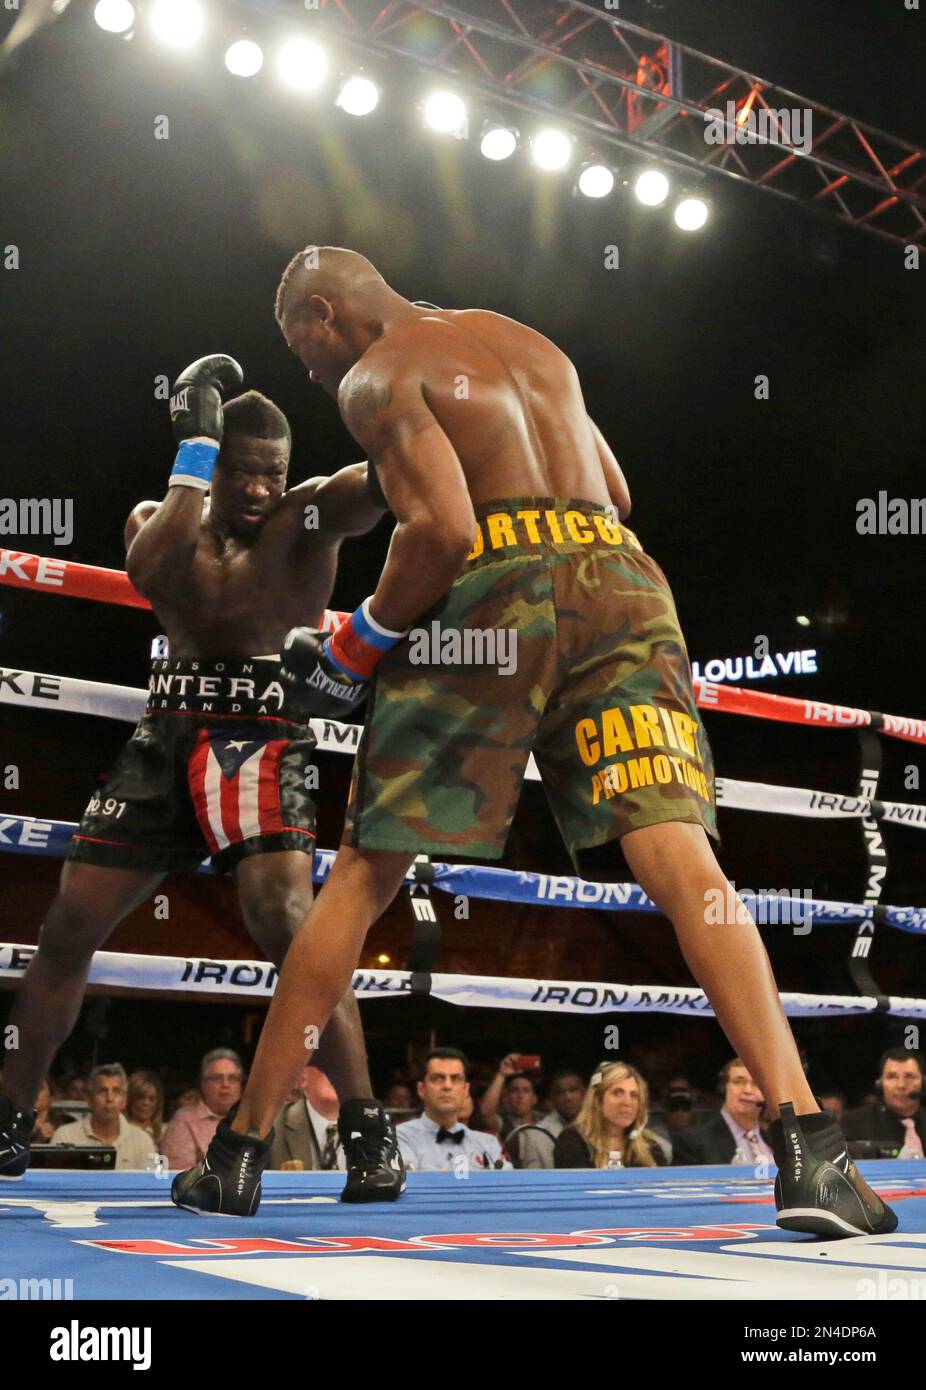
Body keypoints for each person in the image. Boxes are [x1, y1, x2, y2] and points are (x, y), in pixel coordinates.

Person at [173, 247, 896, 1238]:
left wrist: (354, 643)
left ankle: (239, 1155)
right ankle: (809, 1151)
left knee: (361, 879)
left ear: (326, 312)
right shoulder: (529, 345)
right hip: (625, 583)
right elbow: (614, 488)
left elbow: (439, 530)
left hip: (497, 593)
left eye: (305, 350)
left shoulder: (380, 373)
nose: (312, 374)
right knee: (685, 866)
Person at [0, 359, 398, 1201]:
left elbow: (381, 483)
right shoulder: (162, 517)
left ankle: (368, 1139)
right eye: (241, 469)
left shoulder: (307, 512)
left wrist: (409, 406)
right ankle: (7, 1119)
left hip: (261, 733)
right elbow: (153, 575)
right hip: (164, 737)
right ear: (209, 465)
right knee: (68, 927)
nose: (258, 487)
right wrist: (193, 445)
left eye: (272, 472)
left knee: (293, 927)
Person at [394, 1049, 509, 1172]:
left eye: (455, 1078)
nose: (447, 1086)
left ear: (465, 1089)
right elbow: (409, 1187)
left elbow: (512, 1185)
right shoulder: (399, 1137)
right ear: (421, 1089)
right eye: (438, 1078)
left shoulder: (488, 1144)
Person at [554, 1062, 666, 1169]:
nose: (627, 1102)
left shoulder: (650, 1146)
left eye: (634, 1095)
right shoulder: (573, 1141)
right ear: (597, 1100)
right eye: (617, 1093)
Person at [49, 1064, 156, 1170]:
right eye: (102, 1091)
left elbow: (154, 1185)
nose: (109, 1098)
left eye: (116, 1091)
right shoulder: (66, 1136)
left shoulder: (143, 1142)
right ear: (89, 1099)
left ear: (124, 1100)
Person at [672, 1058, 773, 1166]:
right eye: (738, 1082)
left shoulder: (778, 1140)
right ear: (723, 1088)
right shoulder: (691, 1142)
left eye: (756, 1084)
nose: (747, 1090)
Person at [842, 1049, 925, 1157]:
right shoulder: (854, 1123)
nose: (901, 1085)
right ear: (880, 1084)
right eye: (892, 1077)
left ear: (923, 1081)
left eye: (909, 1076)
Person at [269, 1065, 345, 1171]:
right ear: (303, 1078)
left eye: (347, 1067)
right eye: (329, 1064)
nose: (338, 1074)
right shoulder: (270, 1127)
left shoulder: (372, 1126)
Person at [508, 1069, 585, 1169]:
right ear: (552, 1099)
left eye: (573, 1090)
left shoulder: (602, 1124)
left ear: (584, 1093)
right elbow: (533, 1180)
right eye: (560, 1092)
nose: (568, 1097)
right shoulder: (535, 1135)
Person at [126, 1070, 166, 1146]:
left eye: (152, 1099)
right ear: (130, 1100)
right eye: (141, 1097)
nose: (146, 1103)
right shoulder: (119, 1130)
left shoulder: (165, 1131)